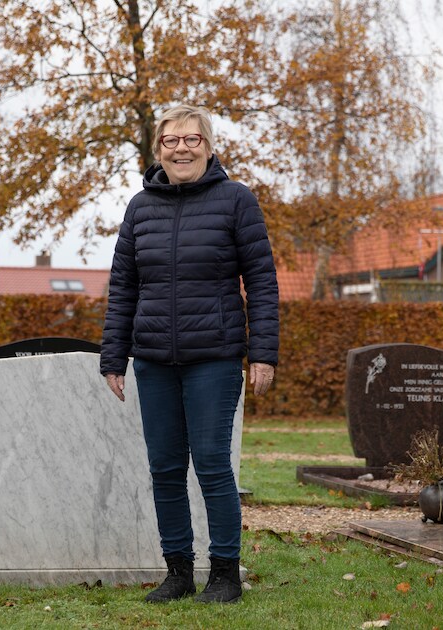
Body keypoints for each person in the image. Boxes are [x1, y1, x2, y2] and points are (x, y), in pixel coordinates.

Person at [99, 104, 279, 604]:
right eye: (171, 140)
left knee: (213, 466)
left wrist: (263, 354)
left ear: (209, 146)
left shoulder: (236, 201)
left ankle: (225, 575)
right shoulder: (140, 208)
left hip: (214, 360)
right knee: (164, 469)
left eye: (191, 139)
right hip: (154, 360)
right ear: (158, 149)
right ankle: (178, 572)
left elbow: (262, 280)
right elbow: (123, 287)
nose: (181, 148)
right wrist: (114, 357)